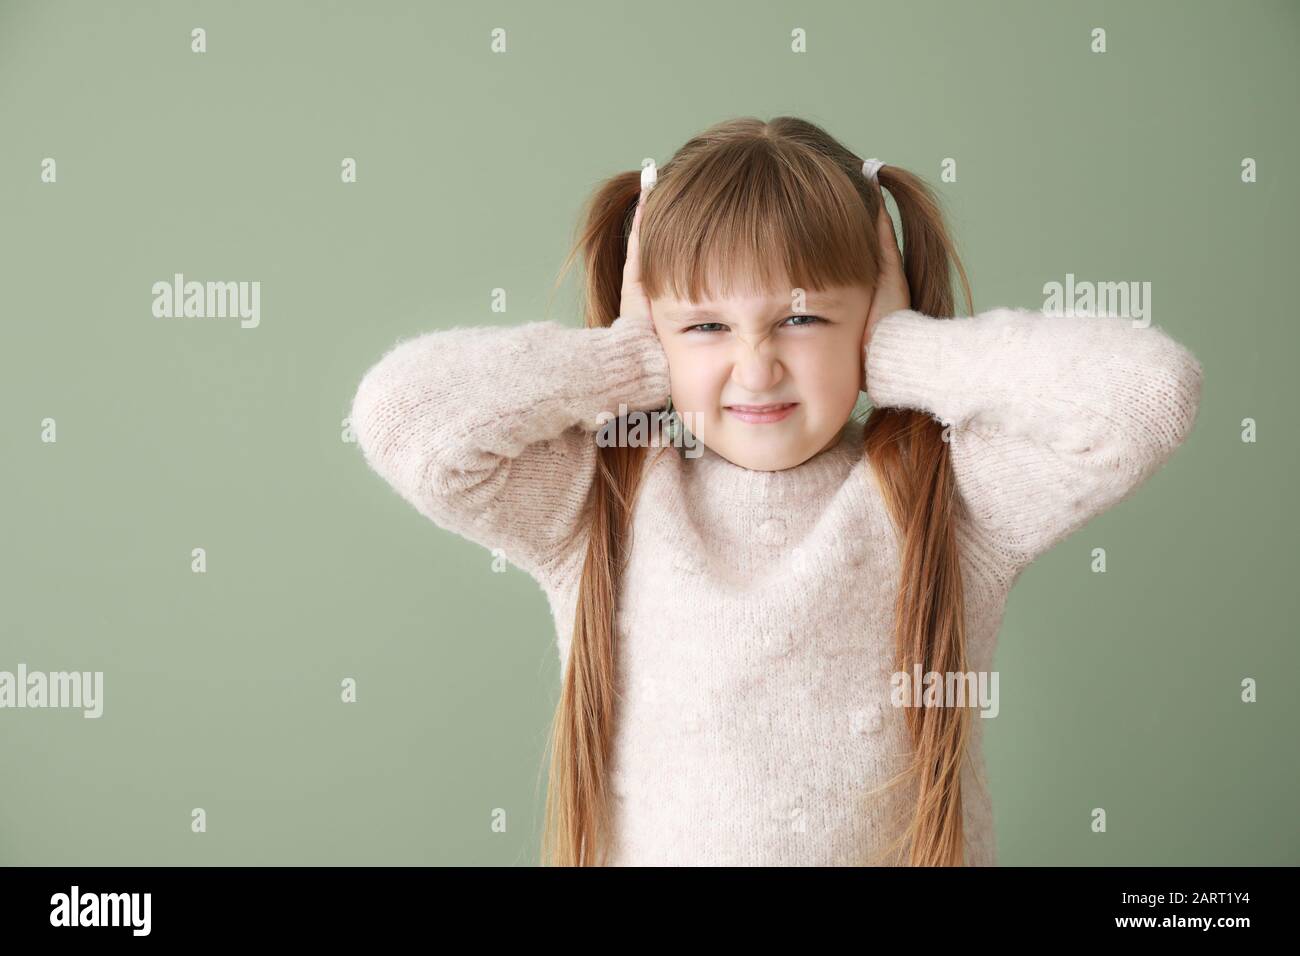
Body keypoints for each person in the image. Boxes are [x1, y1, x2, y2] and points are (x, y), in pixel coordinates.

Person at [349, 116, 1204, 866]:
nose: (755, 367)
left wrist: (909, 351)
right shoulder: (596, 501)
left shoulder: (951, 499)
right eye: (707, 326)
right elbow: (405, 421)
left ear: (868, 318)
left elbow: (1145, 397)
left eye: (802, 318)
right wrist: (633, 358)